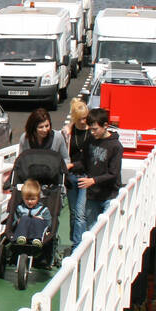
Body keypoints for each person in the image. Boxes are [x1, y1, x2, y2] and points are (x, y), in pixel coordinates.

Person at [77, 107, 123, 231]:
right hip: (92, 195)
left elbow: (113, 173)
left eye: (95, 129)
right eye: (90, 129)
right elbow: (84, 163)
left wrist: (93, 181)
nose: (92, 132)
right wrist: (70, 166)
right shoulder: (90, 141)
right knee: (91, 230)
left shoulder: (115, 146)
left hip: (109, 195)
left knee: (107, 231)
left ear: (105, 125)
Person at [63, 100, 91, 247]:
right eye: (79, 118)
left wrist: (72, 164)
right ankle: (74, 238)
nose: (83, 121)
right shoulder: (68, 132)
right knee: (74, 213)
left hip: (85, 176)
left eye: (85, 117)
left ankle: (77, 246)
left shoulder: (91, 133)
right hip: (71, 177)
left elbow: (90, 159)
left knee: (80, 213)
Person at [11, 179, 51, 248]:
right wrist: (17, 221)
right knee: (24, 218)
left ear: (38, 198)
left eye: (33, 199)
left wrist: (42, 220)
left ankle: (37, 239)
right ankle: (21, 237)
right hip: (24, 229)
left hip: (37, 230)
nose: (29, 201)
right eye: (27, 199)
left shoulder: (43, 209)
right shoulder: (20, 208)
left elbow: (49, 222)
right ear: (23, 198)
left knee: (38, 220)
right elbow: (14, 220)